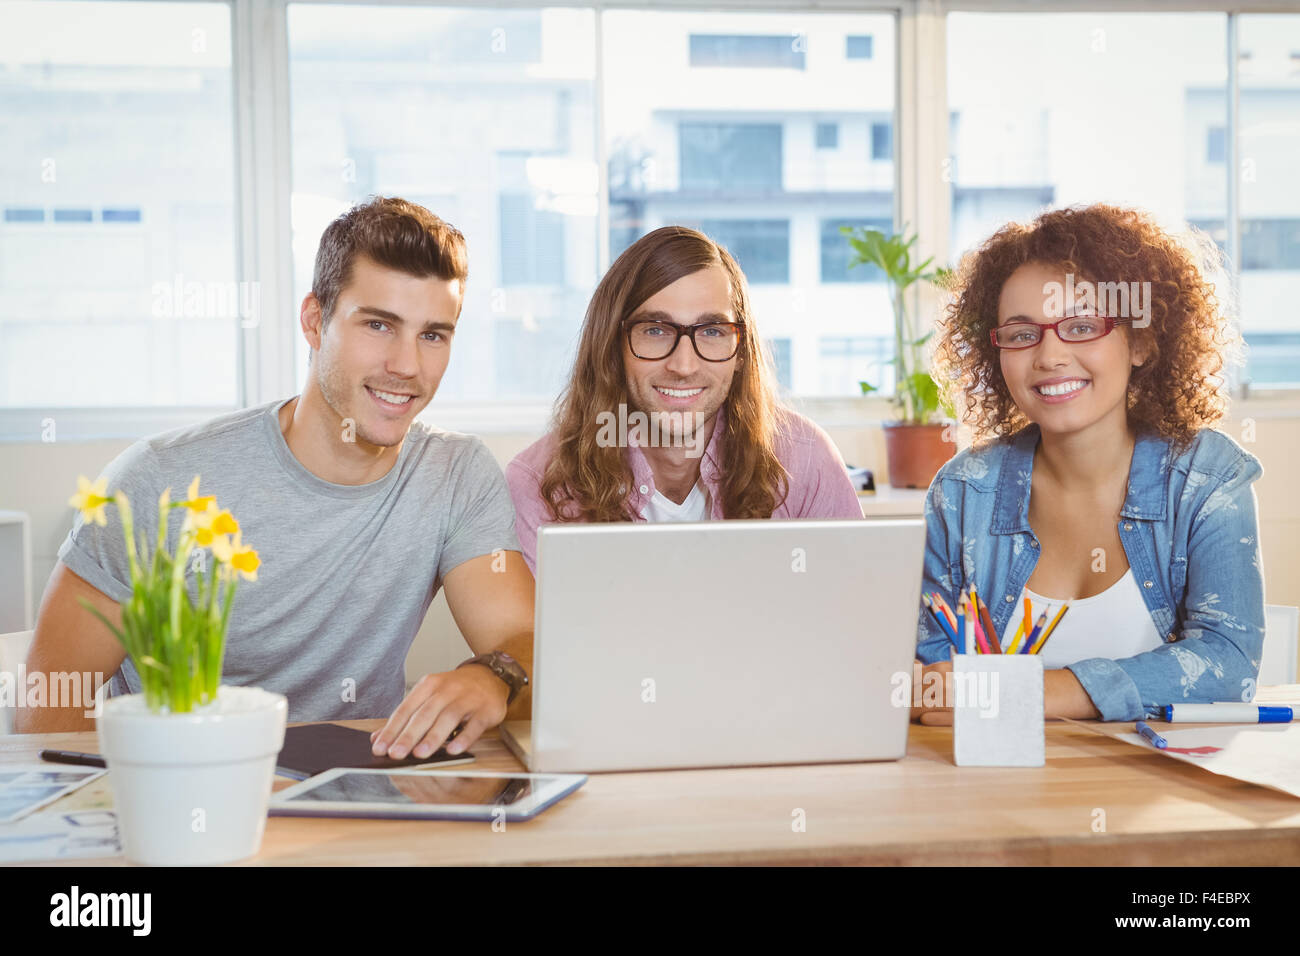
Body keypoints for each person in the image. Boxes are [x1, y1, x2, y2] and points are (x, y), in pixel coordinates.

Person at [20, 196, 533, 764]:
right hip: (190, 800)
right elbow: (46, 717)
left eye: (433, 335)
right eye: (379, 325)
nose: (407, 366)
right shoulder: (157, 481)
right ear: (315, 321)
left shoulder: (456, 474)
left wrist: (493, 676)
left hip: (365, 801)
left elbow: (523, 643)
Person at [914, 204, 1265, 723]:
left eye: (1081, 326)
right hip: (991, 789)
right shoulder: (963, 492)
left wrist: (1032, 693)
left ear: (1143, 341)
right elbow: (930, 676)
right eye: (1020, 333)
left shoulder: (1208, 480)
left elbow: (1228, 663)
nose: (1049, 356)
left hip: (1157, 794)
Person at [506, 225, 861, 570]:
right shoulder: (537, 483)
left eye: (711, 331)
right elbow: (539, 631)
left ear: (741, 352)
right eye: (656, 330)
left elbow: (856, 610)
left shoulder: (804, 458)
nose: (684, 365)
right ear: (612, 349)